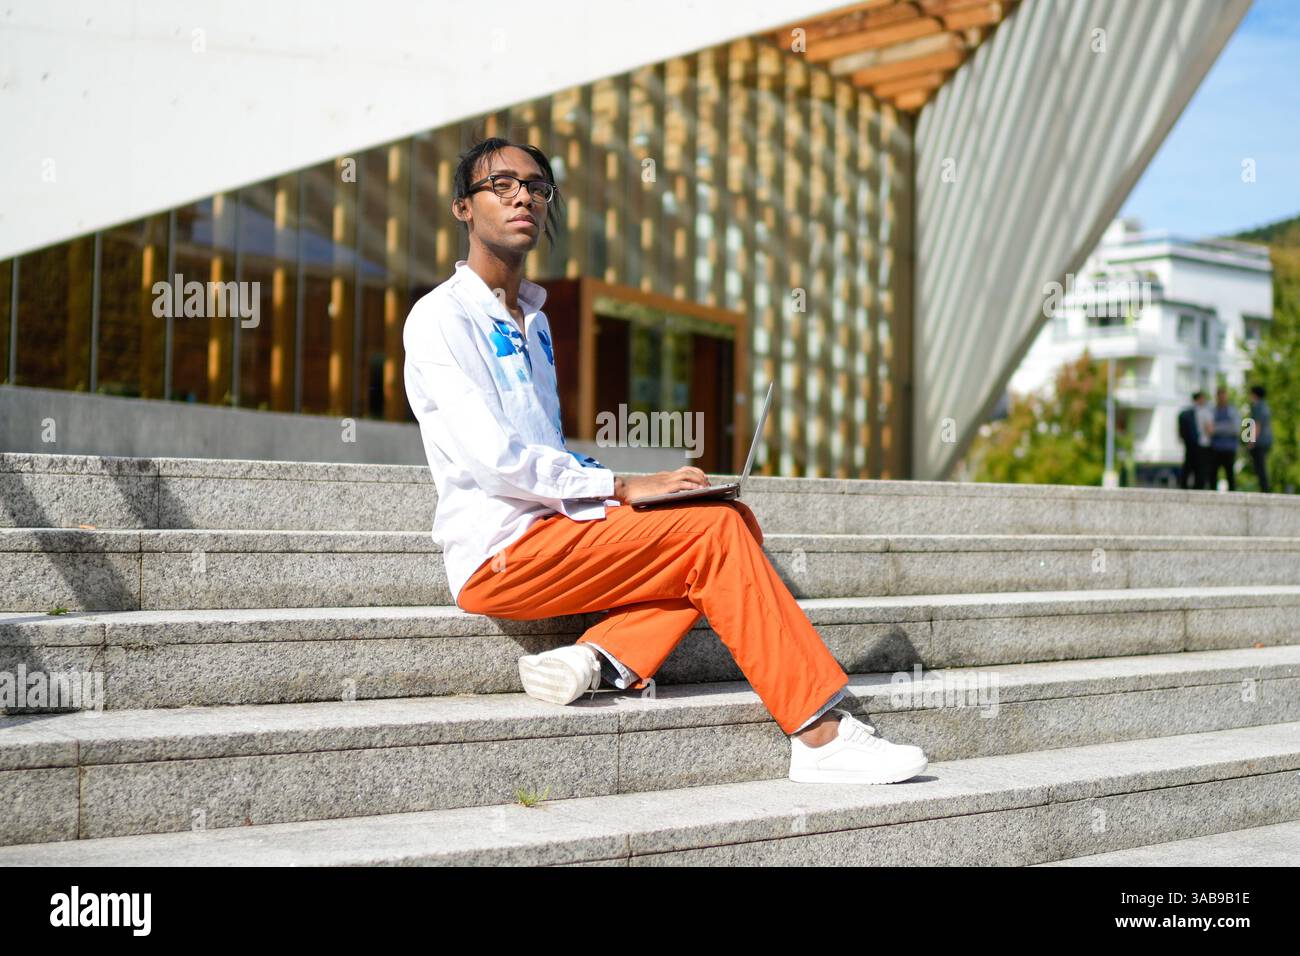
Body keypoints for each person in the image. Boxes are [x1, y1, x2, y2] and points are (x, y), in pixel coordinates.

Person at [402, 136, 927, 784]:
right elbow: (496, 461)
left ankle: (599, 657)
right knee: (714, 535)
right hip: (501, 553)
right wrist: (622, 486)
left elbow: (544, 448)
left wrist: (649, 487)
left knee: (720, 515)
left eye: (536, 187)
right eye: (501, 184)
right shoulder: (439, 319)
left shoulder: (533, 322)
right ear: (462, 207)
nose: (523, 197)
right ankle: (819, 735)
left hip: (556, 530)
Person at [1208, 386, 1239, 491]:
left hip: (1229, 448)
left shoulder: (1232, 410)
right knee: (1213, 474)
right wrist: (1225, 426)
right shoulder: (1213, 410)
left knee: (1230, 474)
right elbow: (1208, 429)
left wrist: (1216, 428)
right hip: (1215, 447)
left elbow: (1235, 429)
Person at [1177, 391, 1207, 489]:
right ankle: (1185, 485)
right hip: (1191, 443)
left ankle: (1198, 486)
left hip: (1202, 444)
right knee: (1189, 465)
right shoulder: (1187, 414)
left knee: (1200, 467)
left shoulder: (1205, 411)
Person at [1247, 384, 1273, 493]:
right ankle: (1265, 488)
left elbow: (1257, 424)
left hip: (1260, 441)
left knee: (1259, 466)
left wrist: (1251, 440)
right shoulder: (1266, 406)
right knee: (1262, 465)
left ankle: (1265, 489)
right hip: (1267, 440)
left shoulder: (1257, 406)